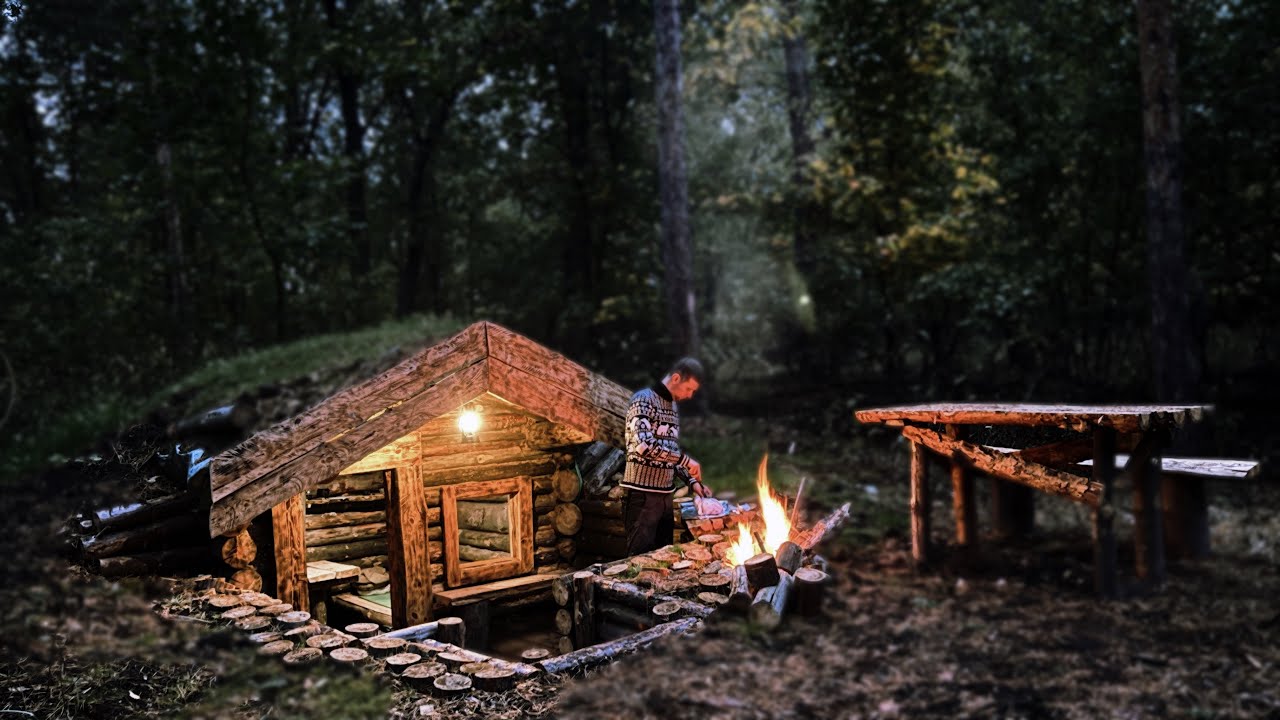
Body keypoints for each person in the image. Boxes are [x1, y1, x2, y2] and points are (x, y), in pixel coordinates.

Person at [621, 357, 713, 555]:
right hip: (642, 497)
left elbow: (669, 454)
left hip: (665, 497)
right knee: (639, 562)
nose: (689, 396)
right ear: (676, 378)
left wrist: (692, 482)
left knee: (664, 560)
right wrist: (686, 461)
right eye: (689, 389)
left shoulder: (672, 408)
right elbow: (642, 446)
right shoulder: (643, 400)